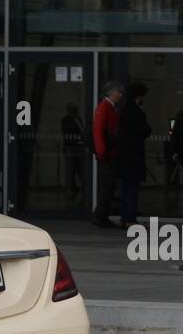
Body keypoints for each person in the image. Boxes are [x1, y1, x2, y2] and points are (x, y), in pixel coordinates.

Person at [115, 82, 151, 228]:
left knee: (124, 189)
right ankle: (130, 218)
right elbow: (146, 130)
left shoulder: (123, 110)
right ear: (138, 97)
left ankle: (124, 217)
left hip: (123, 156)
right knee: (132, 189)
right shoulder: (137, 112)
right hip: (134, 156)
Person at [90, 81, 124, 227]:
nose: (120, 95)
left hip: (110, 153)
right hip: (107, 155)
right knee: (107, 187)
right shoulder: (104, 107)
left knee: (109, 187)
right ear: (111, 93)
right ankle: (99, 216)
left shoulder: (110, 107)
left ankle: (102, 215)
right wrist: (101, 152)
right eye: (118, 92)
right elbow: (98, 131)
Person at [60, 102, 87, 207]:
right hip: (70, 148)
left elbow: (82, 131)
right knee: (70, 170)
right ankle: (70, 190)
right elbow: (67, 132)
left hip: (78, 148)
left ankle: (83, 189)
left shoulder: (78, 119)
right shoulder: (65, 120)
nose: (74, 112)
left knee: (80, 170)